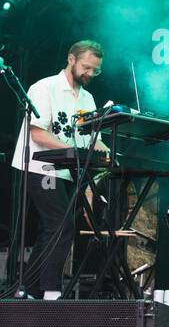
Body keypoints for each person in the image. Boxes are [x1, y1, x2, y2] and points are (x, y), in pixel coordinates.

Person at [7, 40, 106, 297]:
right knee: (60, 226)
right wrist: (70, 150)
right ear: (71, 59)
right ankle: (51, 291)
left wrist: (104, 147)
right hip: (42, 167)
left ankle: (30, 289)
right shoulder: (44, 87)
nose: (90, 74)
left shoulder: (88, 97)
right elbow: (38, 133)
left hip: (67, 170)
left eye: (95, 70)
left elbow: (88, 138)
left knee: (51, 229)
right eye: (86, 67)